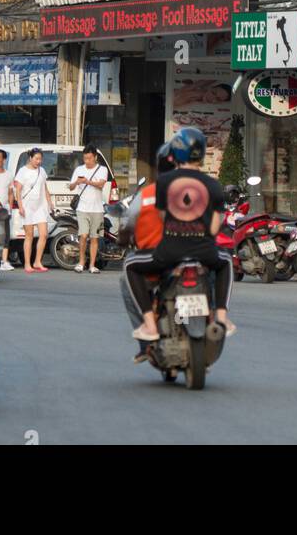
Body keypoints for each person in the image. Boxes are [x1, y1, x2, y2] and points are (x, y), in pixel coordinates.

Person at [122, 125, 235, 343]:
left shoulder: (164, 183)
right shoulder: (213, 185)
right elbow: (214, 228)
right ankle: (222, 318)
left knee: (129, 265)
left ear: (176, 153)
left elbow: (164, 217)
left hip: (169, 251)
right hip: (204, 252)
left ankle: (149, 325)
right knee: (227, 261)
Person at [119, 142, 177, 363]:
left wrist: (123, 241)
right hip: (194, 256)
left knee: (127, 280)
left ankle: (146, 342)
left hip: (156, 258)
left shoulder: (146, 195)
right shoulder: (194, 190)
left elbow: (127, 227)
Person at [69, 146, 109, 274]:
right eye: (85, 158)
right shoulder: (79, 169)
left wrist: (87, 182)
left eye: (89, 158)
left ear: (95, 157)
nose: (87, 161)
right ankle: (81, 262)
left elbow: (101, 184)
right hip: (82, 208)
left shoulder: (102, 169)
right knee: (83, 235)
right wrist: (76, 182)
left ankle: (92, 265)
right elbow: (70, 187)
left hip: (97, 209)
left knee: (94, 237)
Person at [15, 148, 53, 274]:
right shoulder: (22, 171)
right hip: (27, 206)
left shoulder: (41, 171)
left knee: (44, 234)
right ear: (30, 158)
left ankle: (37, 261)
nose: (38, 161)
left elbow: (45, 188)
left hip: (40, 206)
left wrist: (50, 202)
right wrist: (20, 207)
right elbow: (18, 191)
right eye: (36, 158)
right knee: (29, 235)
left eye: (40, 159)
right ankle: (27, 263)